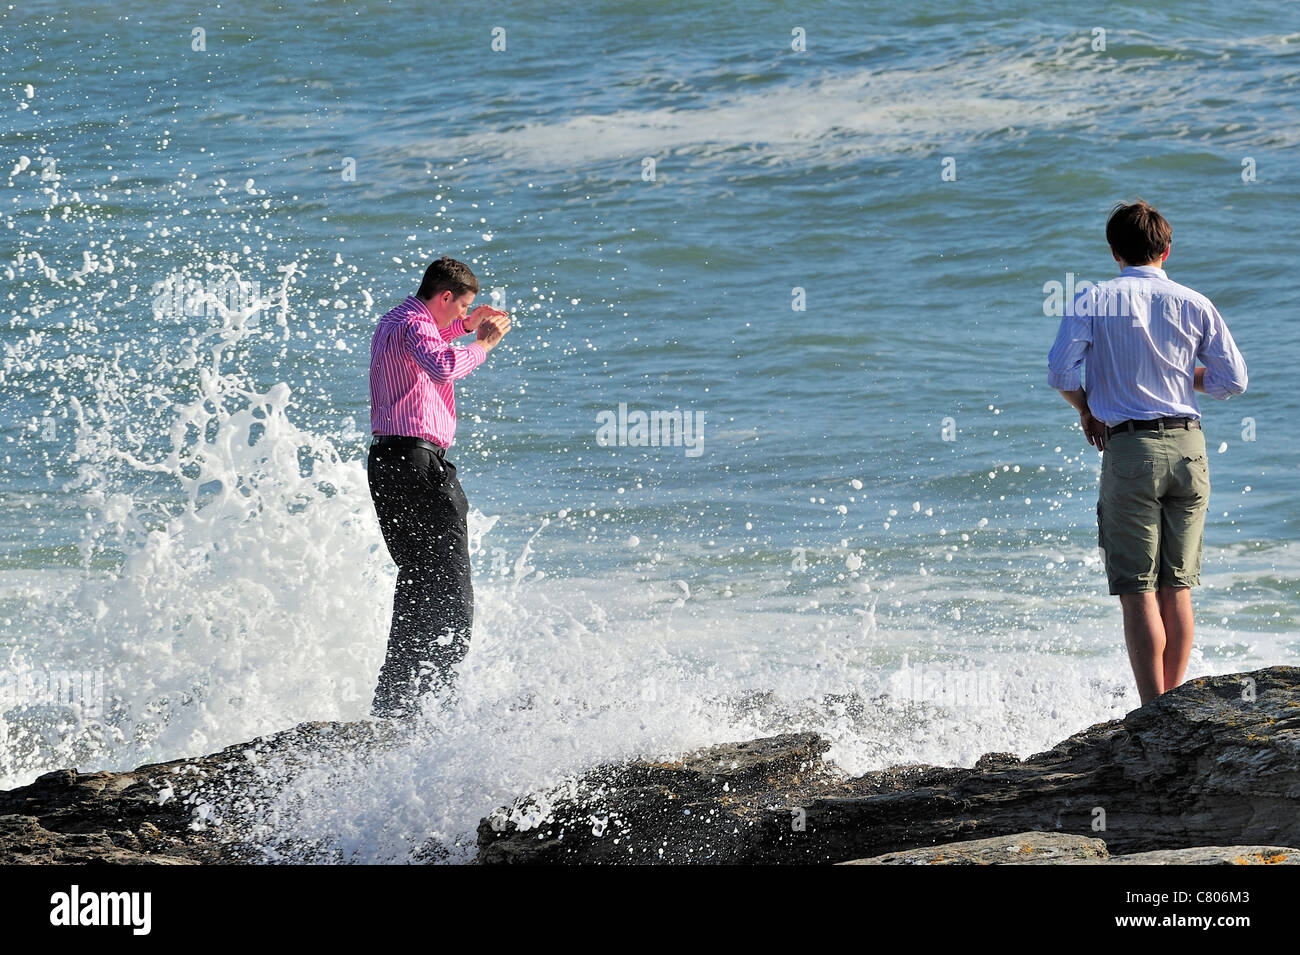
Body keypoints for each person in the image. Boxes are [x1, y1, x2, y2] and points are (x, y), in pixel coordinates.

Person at [1047, 200, 1247, 706]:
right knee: (1177, 587)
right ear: (1167, 248)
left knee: (1137, 590)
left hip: (1131, 449)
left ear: (1114, 251)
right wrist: (1181, 376)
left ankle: (1151, 712)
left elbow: (1062, 374)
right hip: (1189, 449)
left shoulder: (1096, 299)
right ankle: (1174, 705)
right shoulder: (1194, 301)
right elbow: (1233, 381)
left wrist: (1086, 410)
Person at [367, 255, 511, 719]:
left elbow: (430, 341)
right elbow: (443, 365)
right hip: (418, 463)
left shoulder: (396, 320)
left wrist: (464, 325)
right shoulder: (416, 325)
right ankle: (434, 707)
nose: (461, 315)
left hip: (387, 463)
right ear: (444, 296)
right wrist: (483, 344)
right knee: (451, 593)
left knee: (416, 583)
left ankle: (394, 705)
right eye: (460, 306)